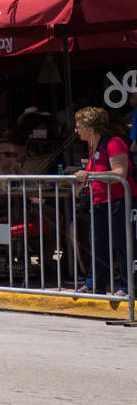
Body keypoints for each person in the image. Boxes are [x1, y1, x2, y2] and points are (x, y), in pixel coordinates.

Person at [74, 105, 131, 295]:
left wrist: (89, 174)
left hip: (119, 200)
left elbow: (120, 172)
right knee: (97, 244)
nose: (76, 129)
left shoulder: (113, 143)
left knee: (122, 244)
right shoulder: (92, 146)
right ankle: (94, 283)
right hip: (98, 201)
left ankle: (127, 286)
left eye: (79, 125)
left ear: (90, 126)